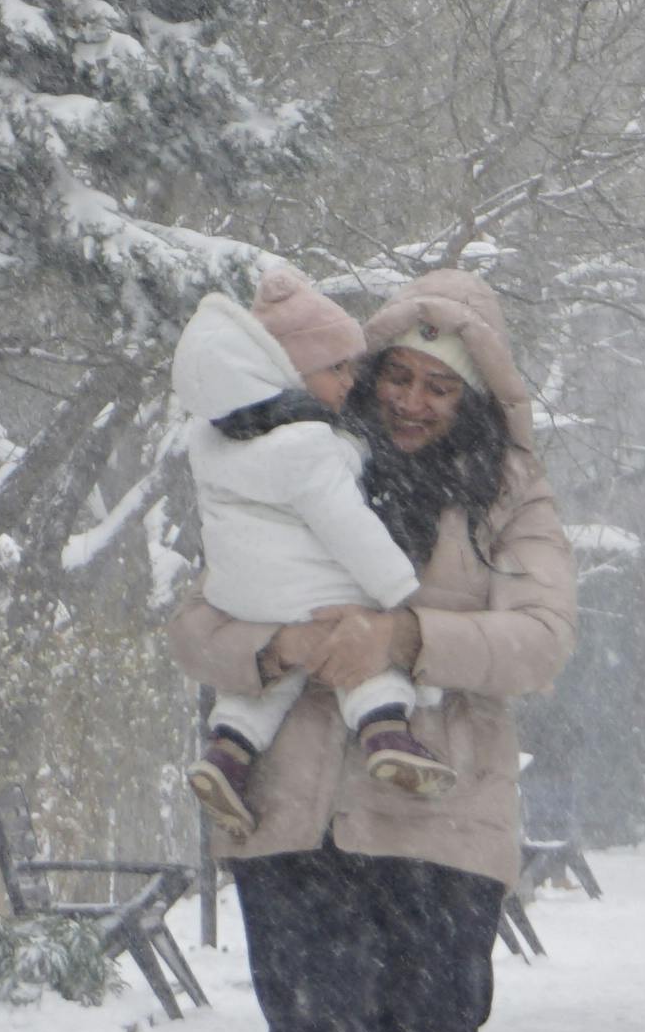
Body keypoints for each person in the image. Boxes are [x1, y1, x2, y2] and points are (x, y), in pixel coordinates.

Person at [164, 276, 571, 1032]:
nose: (410, 401)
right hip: (291, 824)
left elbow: (538, 638)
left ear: (476, 398)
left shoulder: (506, 497)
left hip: (438, 822)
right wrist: (279, 651)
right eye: (397, 374)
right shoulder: (294, 461)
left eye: (441, 386)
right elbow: (197, 623)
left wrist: (405, 638)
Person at [168, 266, 446, 835]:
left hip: (243, 595)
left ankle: (228, 750)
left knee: (268, 680)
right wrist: (401, 597)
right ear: (288, 372)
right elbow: (349, 529)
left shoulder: (210, 440)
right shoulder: (312, 445)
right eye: (335, 367)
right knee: (361, 644)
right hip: (313, 588)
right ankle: (386, 730)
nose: (350, 381)